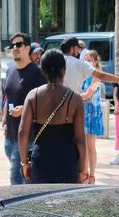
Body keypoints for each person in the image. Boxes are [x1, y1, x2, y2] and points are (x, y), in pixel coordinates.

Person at [19, 48, 88, 184]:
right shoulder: (75, 99)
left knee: (41, 204)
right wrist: (82, 170)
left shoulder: (33, 96)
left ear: (43, 70)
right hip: (67, 162)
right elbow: (80, 139)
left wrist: (24, 163)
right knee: (67, 204)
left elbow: (22, 133)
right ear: (64, 69)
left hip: (41, 161)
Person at [3, 33, 46, 184]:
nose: (14, 48)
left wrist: (24, 109)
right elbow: (8, 97)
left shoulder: (37, 73)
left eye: (19, 44)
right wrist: (4, 121)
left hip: (27, 136)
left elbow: (45, 102)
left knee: (15, 179)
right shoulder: (10, 70)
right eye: (12, 45)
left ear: (27, 48)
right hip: (10, 135)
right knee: (25, 177)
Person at [80, 50, 106, 173]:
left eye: (89, 59)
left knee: (90, 147)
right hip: (82, 114)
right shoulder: (83, 76)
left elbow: (87, 95)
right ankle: (84, 173)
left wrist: (74, 95)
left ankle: (92, 174)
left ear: (95, 62)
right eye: (85, 59)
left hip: (92, 115)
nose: (86, 62)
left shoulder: (97, 77)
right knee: (83, 147)